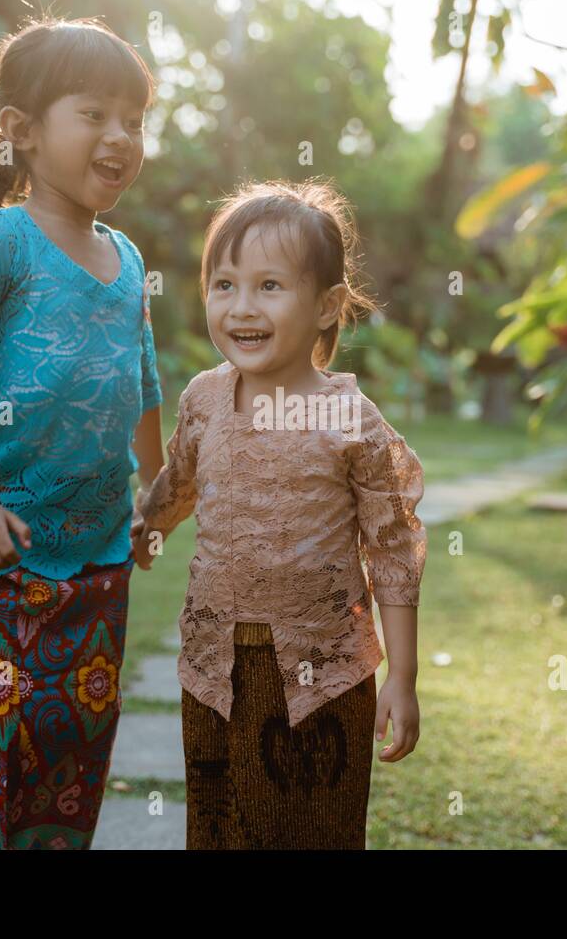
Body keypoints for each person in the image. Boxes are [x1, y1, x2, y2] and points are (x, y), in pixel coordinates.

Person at [0, 17, 163, 849]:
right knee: (1, 750)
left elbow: (143, 388)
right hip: (2, 556)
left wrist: (154, 500)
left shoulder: (128, 260)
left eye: (134, 119)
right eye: (95, 114)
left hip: (100, 555)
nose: (120, 137)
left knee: (77, 751)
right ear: (22, 130)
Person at [132, 179, 427, 849]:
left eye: (269, 286)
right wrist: (144, 536)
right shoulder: (206, 399)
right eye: (224, 284)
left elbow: (393, 551)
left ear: (326, 307)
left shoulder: (349, 419)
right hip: (214, 669)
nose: (241, 306)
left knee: (313, 831)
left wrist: (403, 678)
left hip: (323, 676)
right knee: (221, 827)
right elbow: (177, 482)